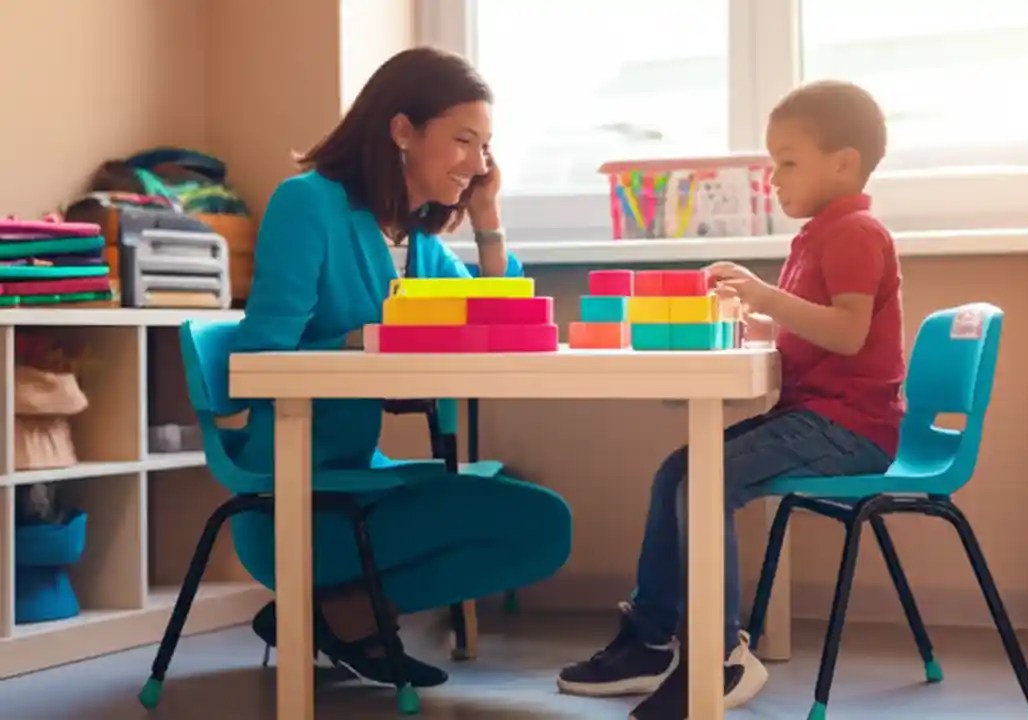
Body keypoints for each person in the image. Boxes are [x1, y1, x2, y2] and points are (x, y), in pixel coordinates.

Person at [558, 80, 906, 719]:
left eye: (788, 161)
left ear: (844, 163)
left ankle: (717, 657)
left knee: (702, 483)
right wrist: (754, 321)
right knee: (678, 473)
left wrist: (768, 300)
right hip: (818, 418)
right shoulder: (817, 235)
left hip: (848, 429)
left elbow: (849, 333)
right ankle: (652, 637)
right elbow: (815, 334)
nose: (774, 177)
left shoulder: (856, 232)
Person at [227, 47, 572, 688]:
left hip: (363, 479)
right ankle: (333, 613)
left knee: (544, 527)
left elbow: (503, 318)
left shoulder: (418, 241)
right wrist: (359, 343)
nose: (478, 162)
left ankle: (336, 614)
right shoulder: (308, 205)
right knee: (535, 522)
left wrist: (488, 219)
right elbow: (256, 360)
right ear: (402, 131)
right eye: (463, 140)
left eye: (486, 145)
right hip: (299, 496)